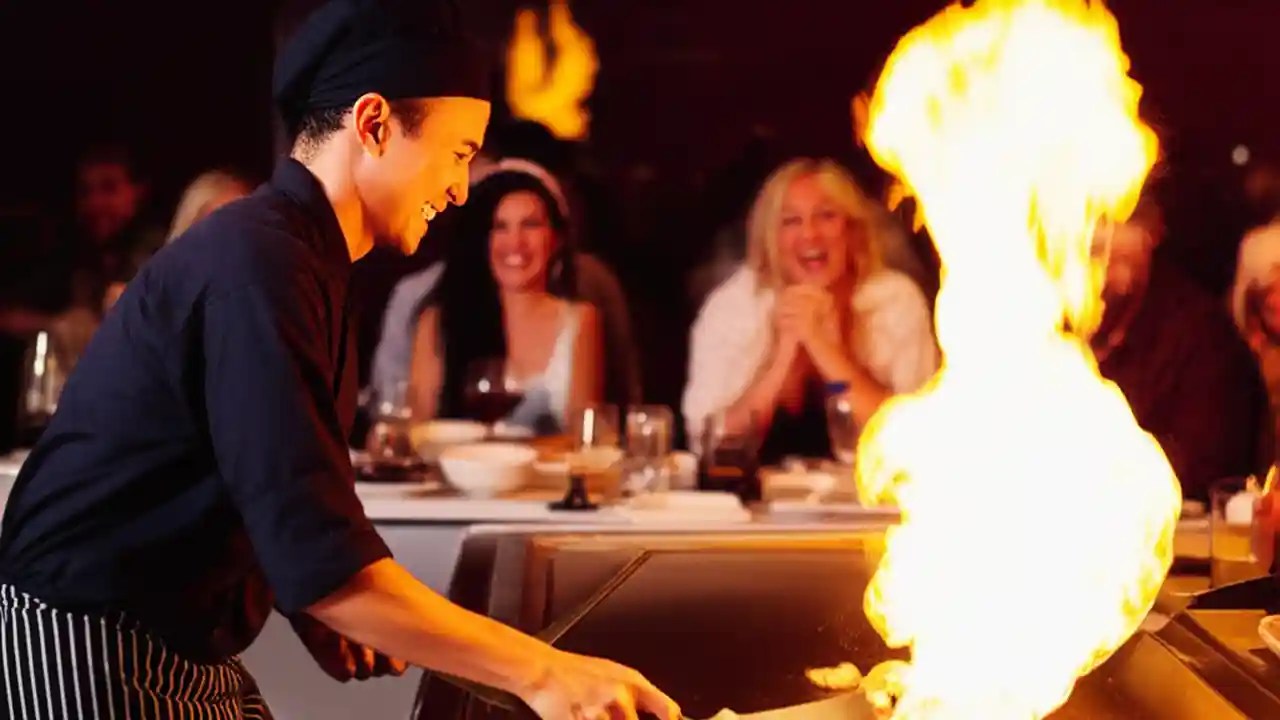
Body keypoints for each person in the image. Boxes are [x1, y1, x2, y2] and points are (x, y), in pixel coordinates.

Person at [0, 2, 679, 719]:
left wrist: (309, 606)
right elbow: (322, 557)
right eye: (457, 153)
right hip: (86, 644)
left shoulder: (297, 258)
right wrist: (546, 675)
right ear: (374, 123)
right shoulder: (259, 264)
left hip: (170, 651)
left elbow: (260, 482)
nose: (460, 189)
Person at [682, 158, 938, 461]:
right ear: (770, 239)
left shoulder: (893, 300)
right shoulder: (735, 304)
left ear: (853, 230)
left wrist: (825, 349)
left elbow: (918, 441)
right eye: (791, 221)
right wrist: (781, 360)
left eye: (827, 216)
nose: (810, 235)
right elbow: (708, 444)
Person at [402, 161, 604, 433]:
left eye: (530, 225)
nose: (515, 242)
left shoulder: (581, 321)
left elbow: (583, 435)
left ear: (556, 239)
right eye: (500, 227)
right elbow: (417, 431)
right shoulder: (438, 320)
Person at [1093, 189, 1265, 500]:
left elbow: (1204, 467)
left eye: (1119, 222)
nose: (1102, 241)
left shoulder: (1198, 335)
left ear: (1152, 233)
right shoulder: (1043, 320)